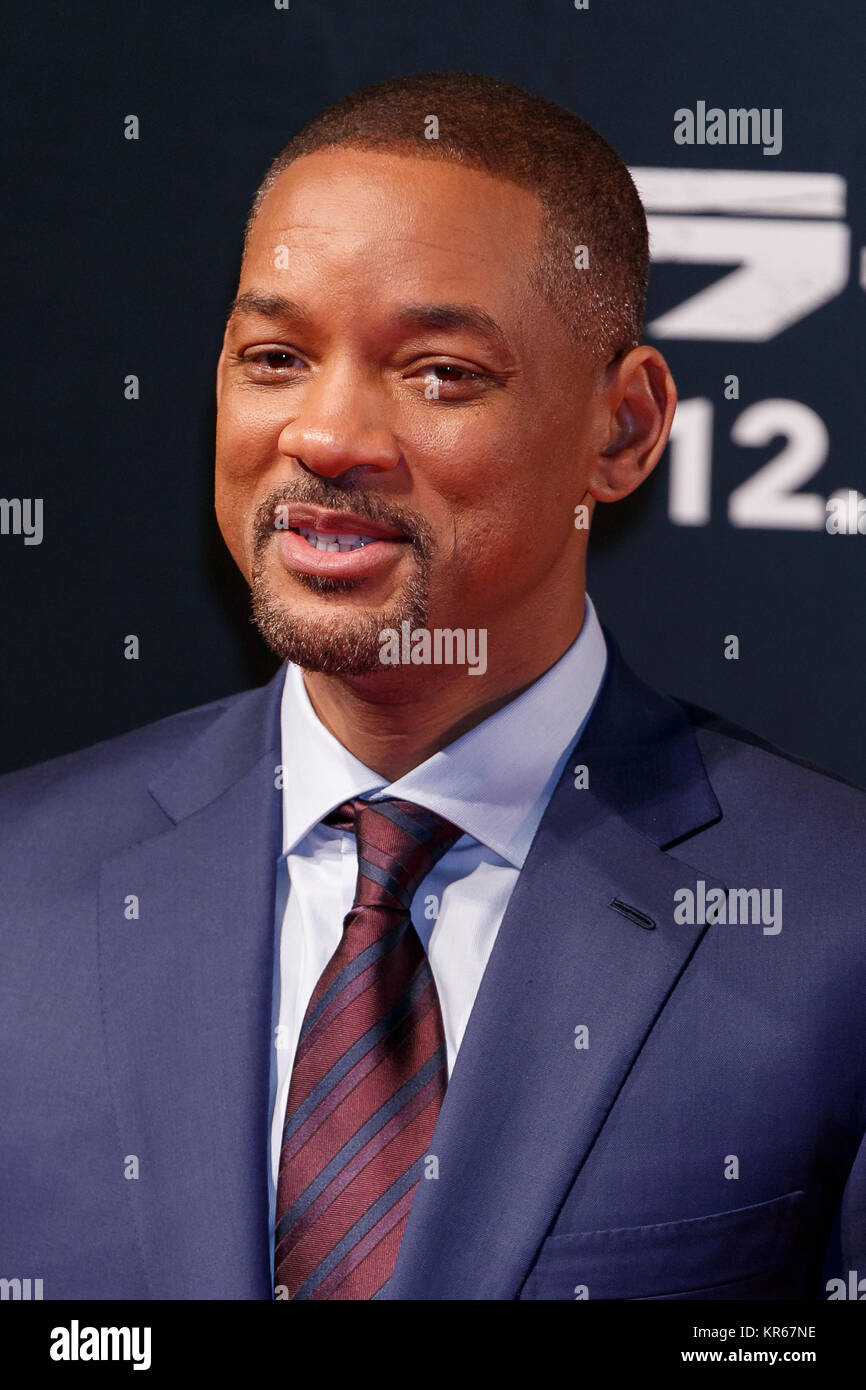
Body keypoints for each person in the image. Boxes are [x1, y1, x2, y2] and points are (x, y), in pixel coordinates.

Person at [1, 71, 864, 1302]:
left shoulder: (835, 925)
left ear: (620, 431)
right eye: (276, 355)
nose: (325, 433)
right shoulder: (17, 892)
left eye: (439, 373)